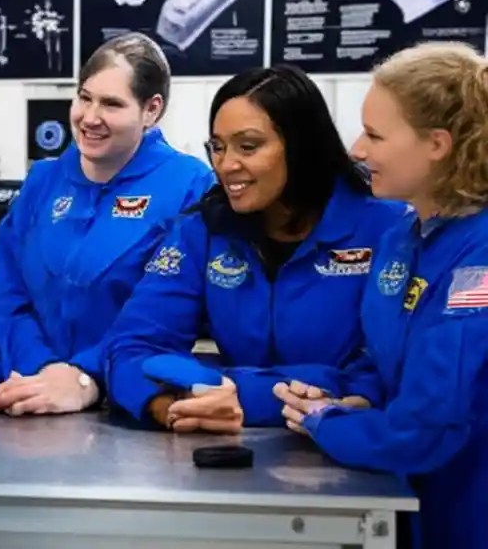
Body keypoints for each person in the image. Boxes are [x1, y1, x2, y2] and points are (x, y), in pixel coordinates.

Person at [103, 64, 405, 433]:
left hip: (356, 457)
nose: (226, 165)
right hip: (226, 456)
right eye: (217, 147)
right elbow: (130, 347)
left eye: (249, 146)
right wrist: (177, 406)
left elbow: (390, 370)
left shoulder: (387, 229)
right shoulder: (204, 231)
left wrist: (241, 392)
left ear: (302, 147)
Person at [277, 42, 488, 549]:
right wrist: (354, 398)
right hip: (409, 501)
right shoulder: (401, 238)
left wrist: (327, 422)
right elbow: (387, 355)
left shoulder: (478, 257)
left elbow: (433, 424)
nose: (356, 150)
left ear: (436, 144)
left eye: (375, 135)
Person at [0, 33, 214, 417]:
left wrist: (87, 376)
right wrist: (44, 369)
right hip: (29, 393)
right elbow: (7, 292)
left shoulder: (190, 187)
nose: (90, 117)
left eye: (111, 104)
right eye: (84, 97)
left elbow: (167, 312)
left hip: (131, 404)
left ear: (151, 109)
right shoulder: (43, 181)